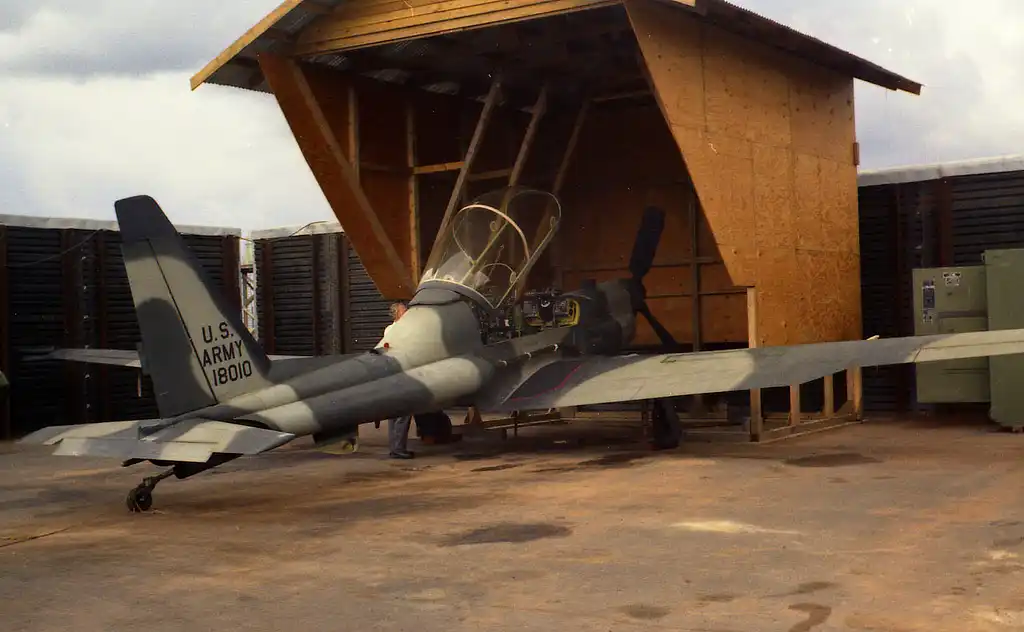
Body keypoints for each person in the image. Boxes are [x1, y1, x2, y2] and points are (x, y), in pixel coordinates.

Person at [381, 301, 414, 459]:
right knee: (403, 412)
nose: (407, 312)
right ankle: (399, 449)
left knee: (394, 413)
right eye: (404, 310)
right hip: (402, 372)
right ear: (398, 314)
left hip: (392, 372)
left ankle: (395, 447)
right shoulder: (402, 329)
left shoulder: (389, 329)